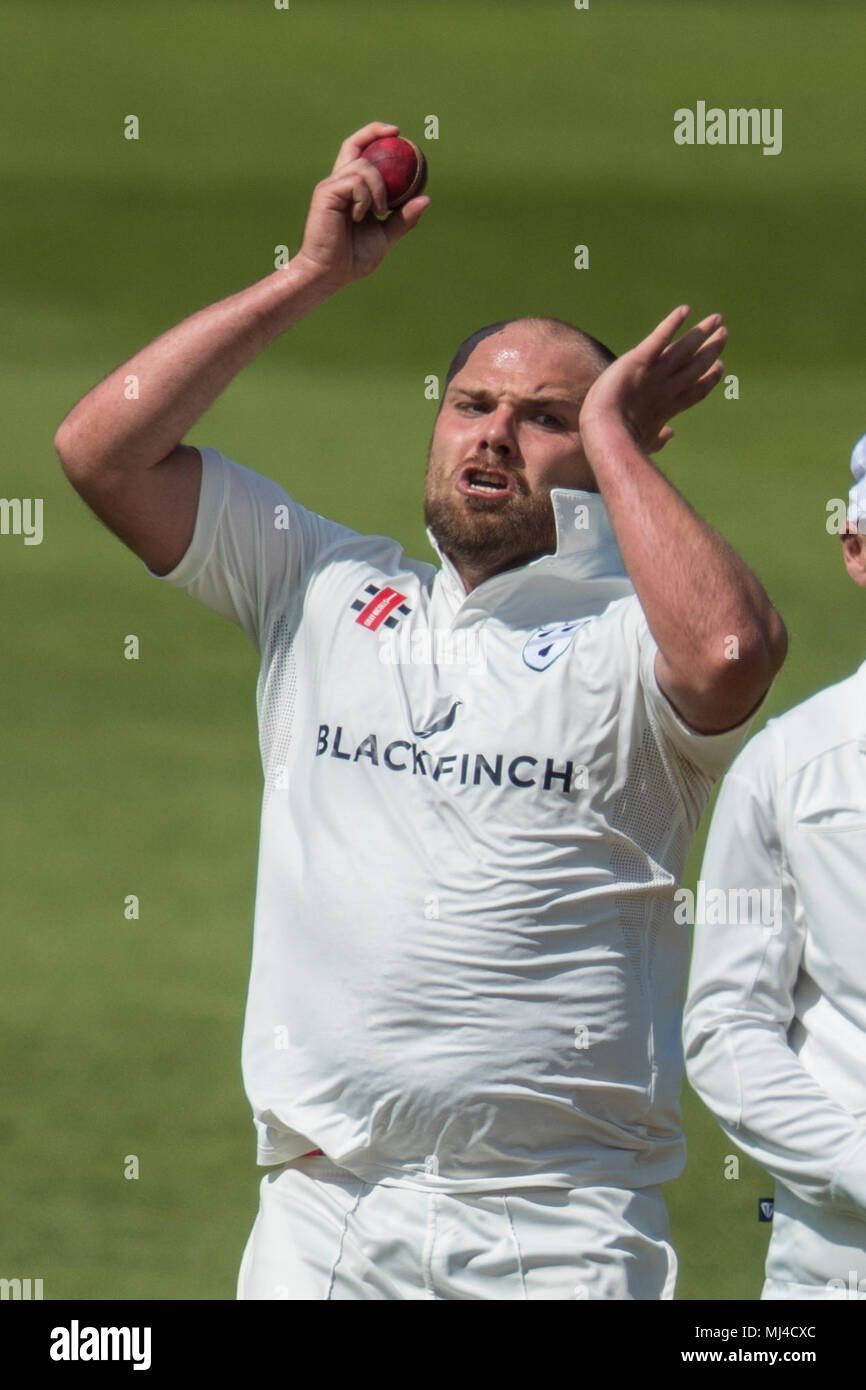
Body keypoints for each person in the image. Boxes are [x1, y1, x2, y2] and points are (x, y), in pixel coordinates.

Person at [54, 121, 787, 1301]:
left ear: (620, 449)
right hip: (322, 1217)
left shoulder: (624, 644)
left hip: (556, 1230)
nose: (493, 431)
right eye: (469, 403)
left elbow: (732, 648)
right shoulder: (327, 585)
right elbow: (102, 452)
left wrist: (613, 432)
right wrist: (309, 279)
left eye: (545, 417)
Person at [684, 435, 866, 1300]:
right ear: (857, 550)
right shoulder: (789, 765)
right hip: (841, 1261)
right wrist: (854, 1166)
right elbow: (728, 1027)